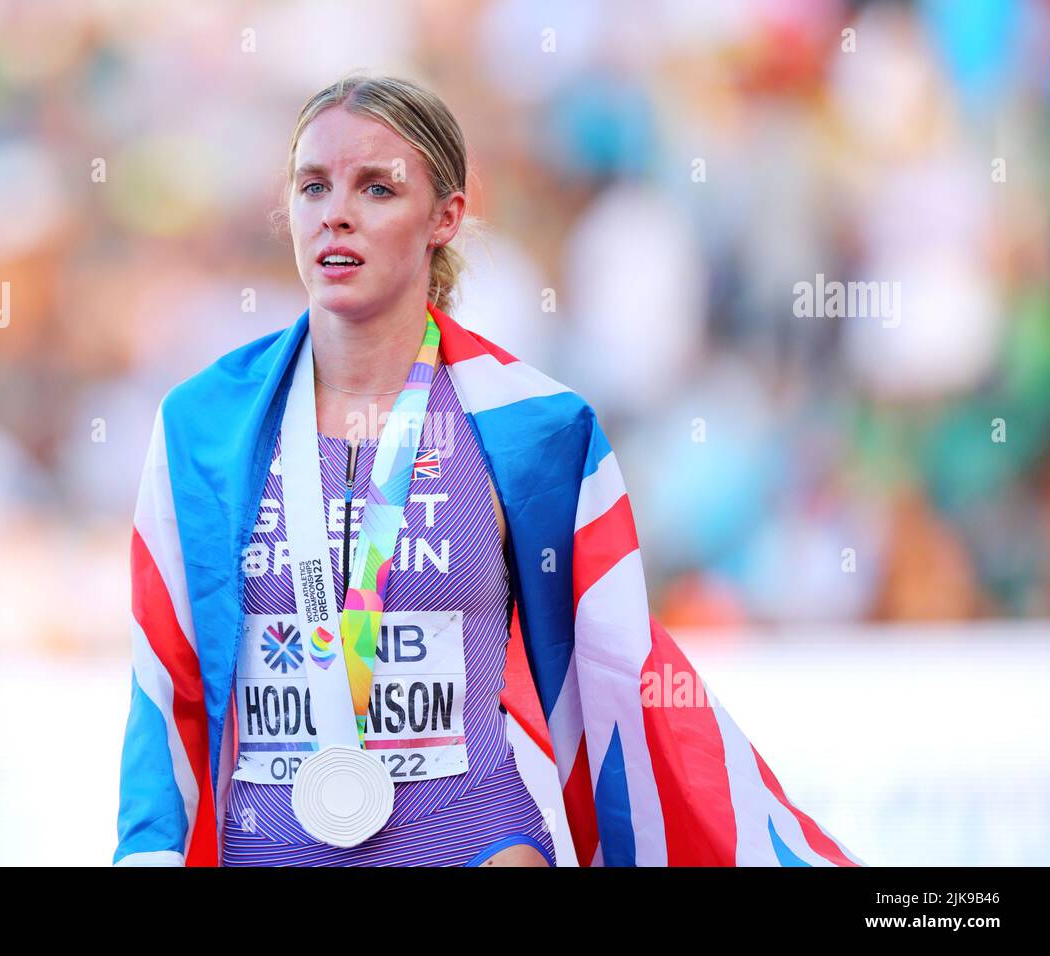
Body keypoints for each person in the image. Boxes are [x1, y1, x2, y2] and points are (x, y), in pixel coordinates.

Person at [113, 73, 863, 869]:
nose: (336, 212)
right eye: (313, 186)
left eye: (377, 188)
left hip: (469, 840)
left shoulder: (531, 426)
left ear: (446, 216)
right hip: (271, 844)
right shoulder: (204, 425)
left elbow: (621, 677)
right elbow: (167, 683)